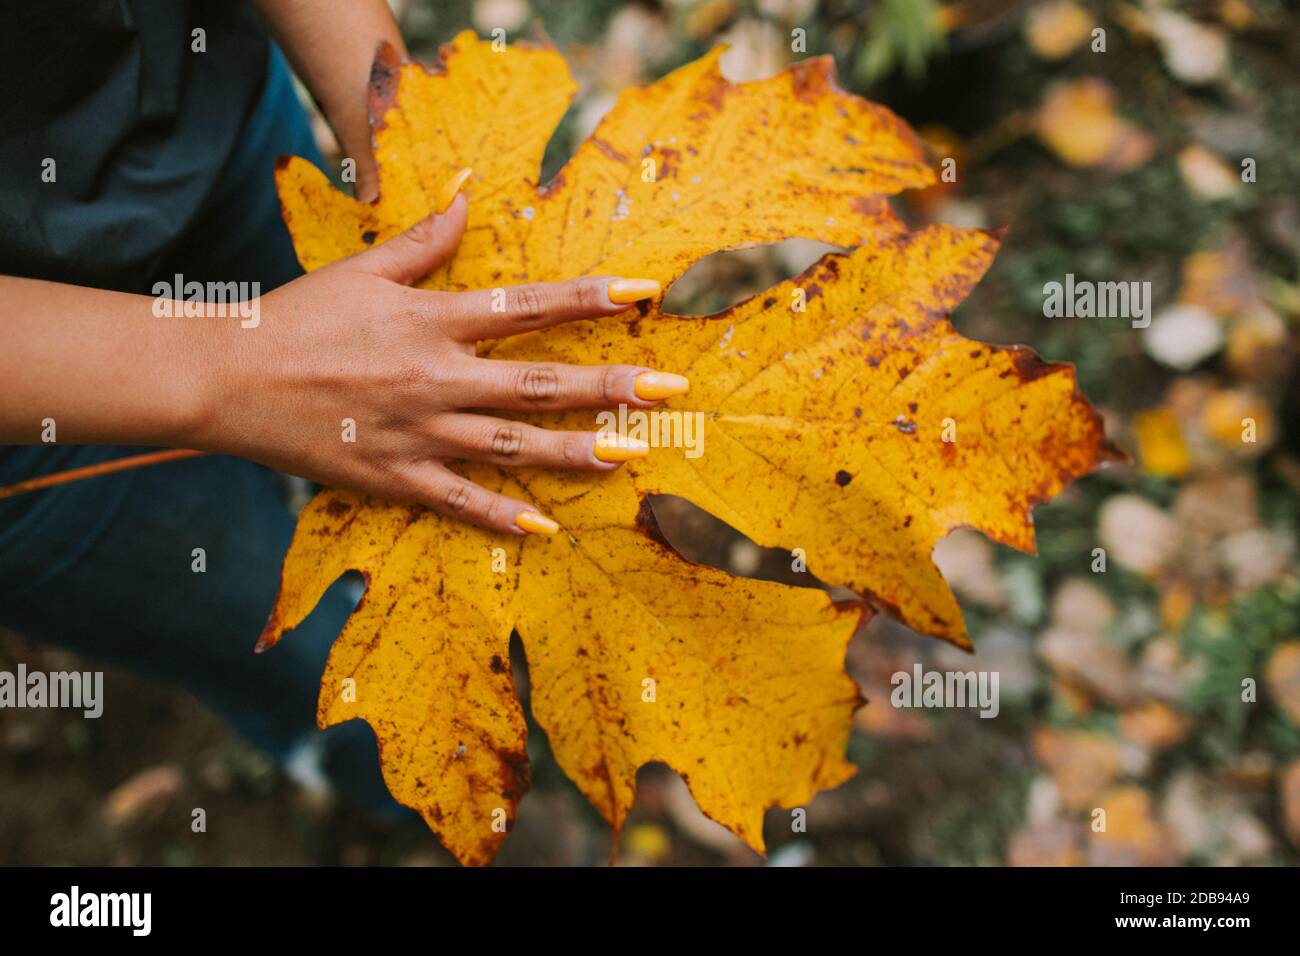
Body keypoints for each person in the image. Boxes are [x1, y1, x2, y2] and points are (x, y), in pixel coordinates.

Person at [0, 0, 686, 816]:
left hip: (218, 131)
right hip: (32, 417)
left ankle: (562, 685)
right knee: (287, 635)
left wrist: (405, 164)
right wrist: (236, 365)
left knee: (470, 493)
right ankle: (450, 807)